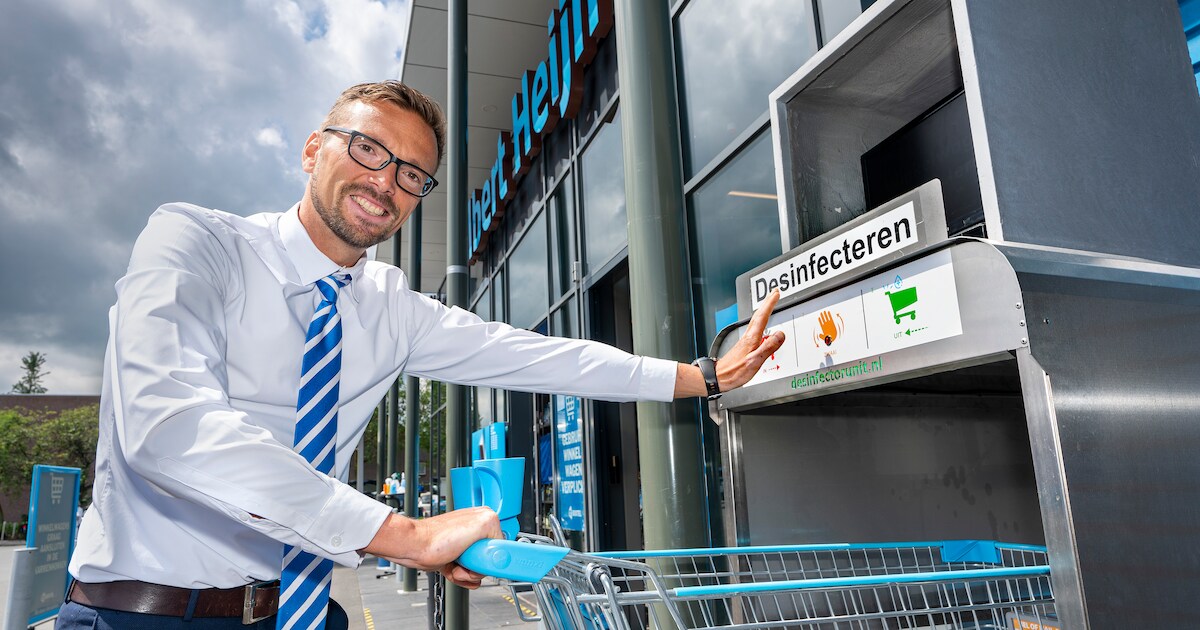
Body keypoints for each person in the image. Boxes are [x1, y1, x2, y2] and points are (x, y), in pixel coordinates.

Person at [59, 80, 784, 629]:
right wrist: (407, 536)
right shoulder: (195, 243)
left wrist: (703, 376)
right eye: (369, 149)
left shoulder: (389, 307)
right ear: (314, 149)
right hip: (142, 614)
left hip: (302, 612)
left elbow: (537, 356)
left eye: (413, 174)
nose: (387, 181)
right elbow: (170, 429)